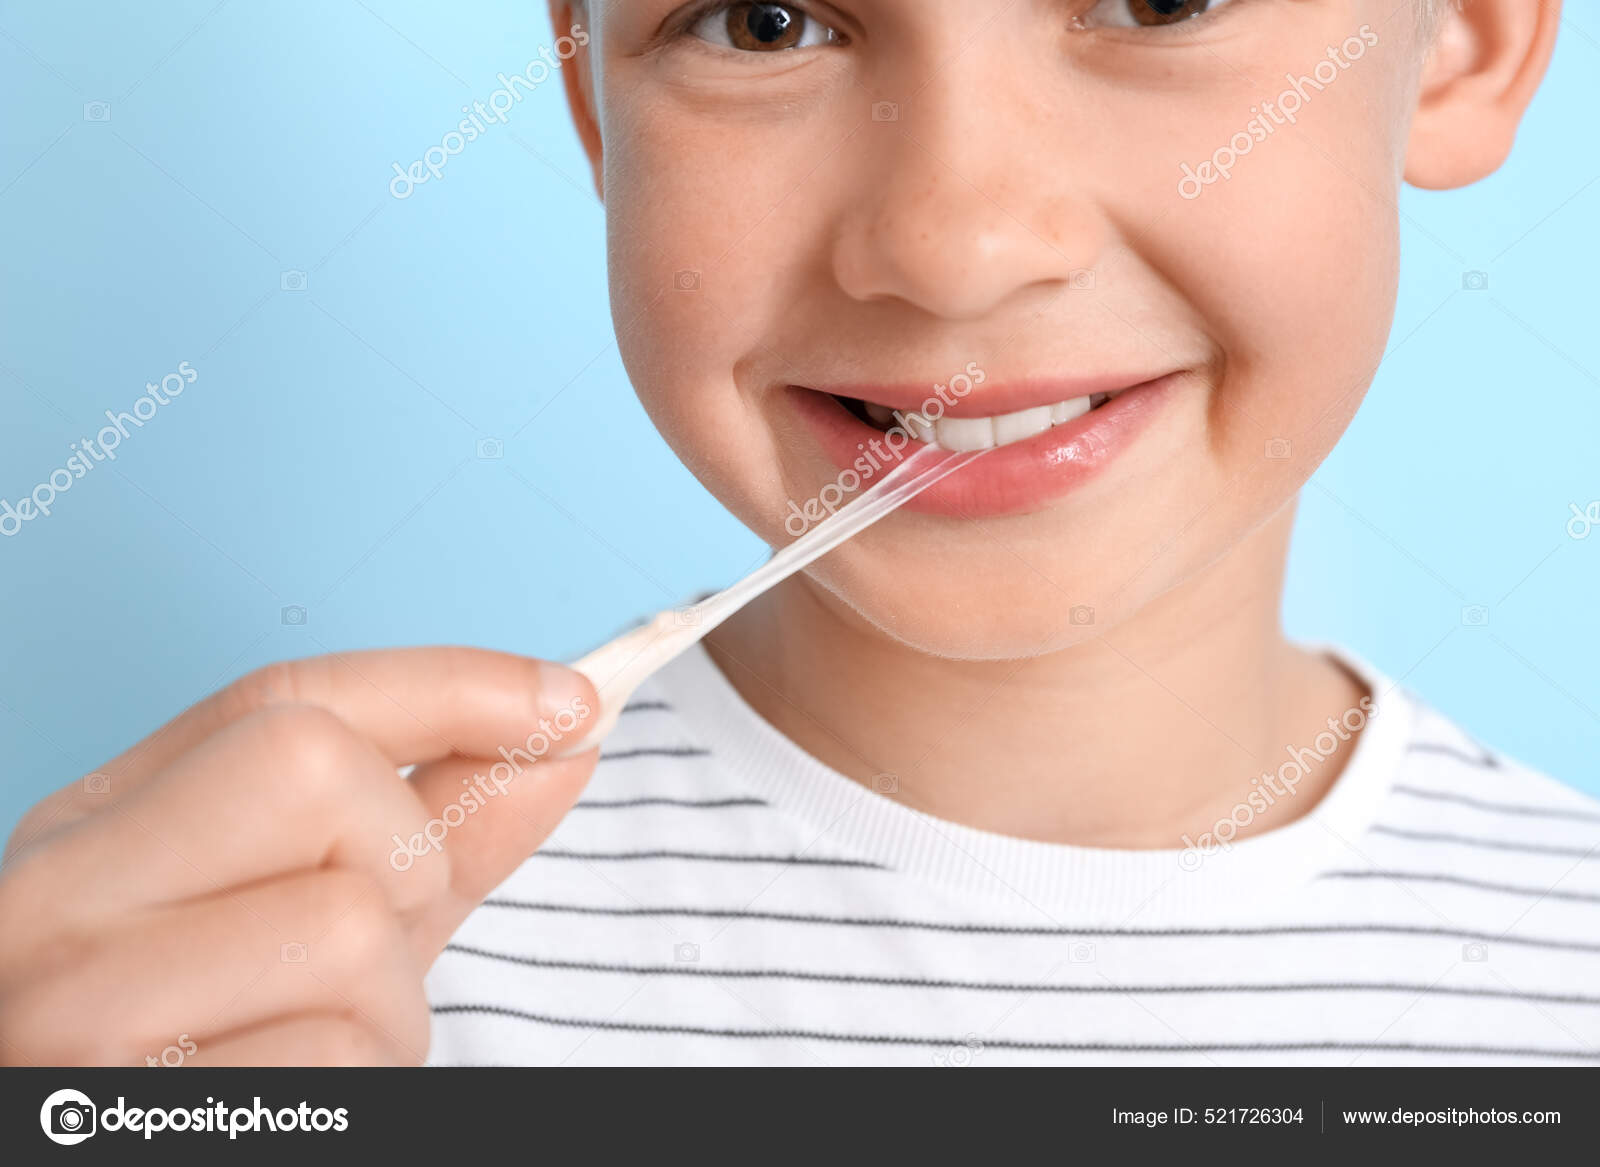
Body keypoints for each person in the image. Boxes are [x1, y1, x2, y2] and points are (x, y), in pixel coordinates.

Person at [5, 0, 1595, 1066]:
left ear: (1463, 41)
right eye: (766, 18)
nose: (955, 245)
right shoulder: (284, 1001)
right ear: (592, 105)